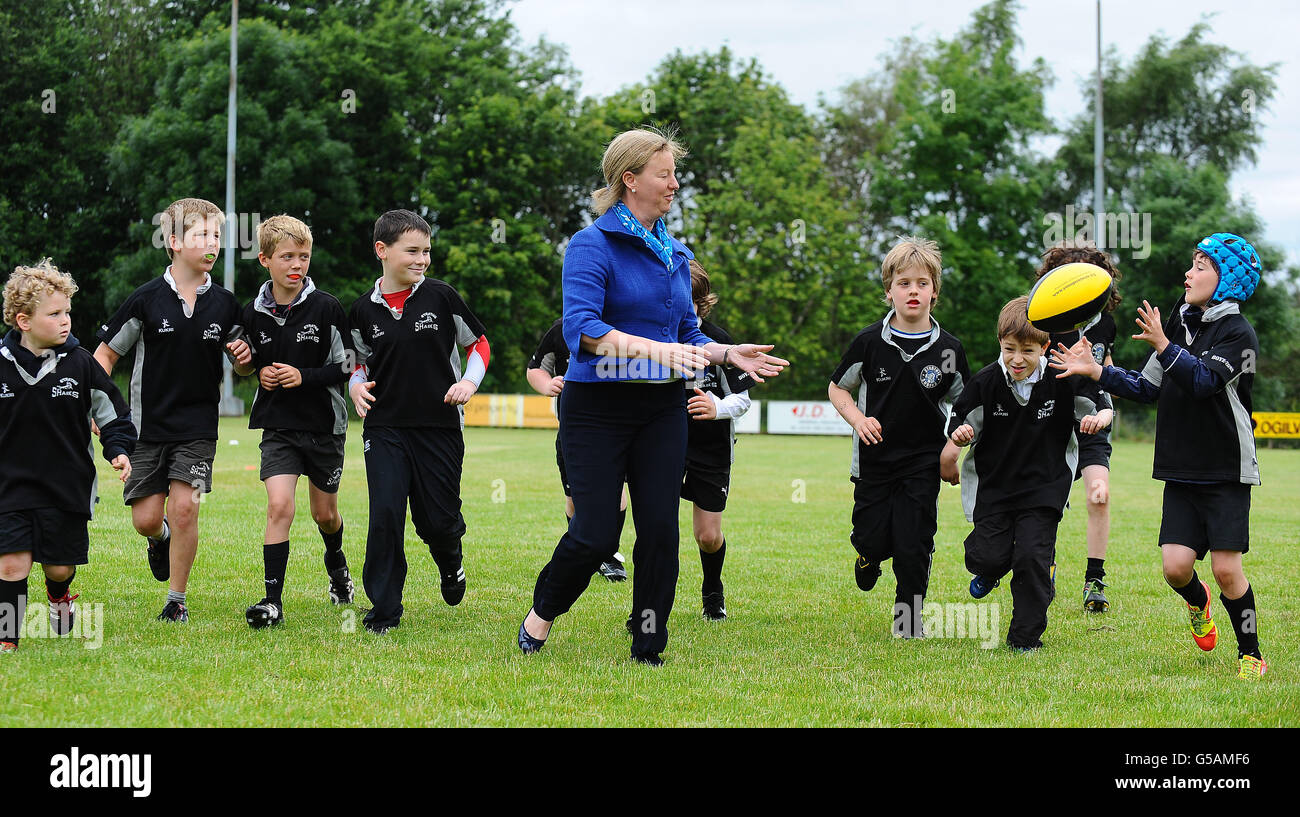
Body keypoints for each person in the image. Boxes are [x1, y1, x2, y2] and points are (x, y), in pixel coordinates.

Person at [517, 127, 787, 665]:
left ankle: (648, 641)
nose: (675, 183)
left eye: (673, 174)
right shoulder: (591, 246)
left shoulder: (675, 253)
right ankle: (542, 612)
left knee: (660, 531)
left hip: (663, 411)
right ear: (630, 179)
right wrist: (655, 352)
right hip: (596, 411)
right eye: (664, 174)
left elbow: (689, 332)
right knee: (594, 535)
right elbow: (585, 331)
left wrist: (727, 354)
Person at [1050, 233, 1268, 679]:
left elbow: (1205, 380)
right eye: (1193, 263)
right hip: (1181, 467)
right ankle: (1198, 602)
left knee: (1228, 572)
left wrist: (1165, 345)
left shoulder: (1239, 334)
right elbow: (1150, 386)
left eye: (1202, 265)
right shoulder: (1180, 320)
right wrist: (1100, 372)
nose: (1189, 273)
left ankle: (1250, 652)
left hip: (1226, 469)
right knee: (1175, 569)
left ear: (1228, 279)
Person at [94, 197, 250, 623]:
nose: (212, 242)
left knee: (186, 508)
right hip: (146, 430)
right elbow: (104, 356)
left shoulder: (226, 304)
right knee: (146, 519)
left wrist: (243, 356)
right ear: (175, 241)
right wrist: (97, 405)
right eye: (202, 234)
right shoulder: (145, 300)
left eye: (217, 234)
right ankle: (158, 538)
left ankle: (176, 599)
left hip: (198, 429)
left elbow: (245, 361)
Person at [348, 209, 491, 634]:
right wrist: (356, 385)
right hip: (384, 427)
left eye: (426, 251)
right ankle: (384, 610)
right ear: (382, 251)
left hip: (440, 426)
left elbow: (479, 343)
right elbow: (358, 362)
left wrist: (468, 382)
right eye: (412, 250)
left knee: (437, 520)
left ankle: (451, 561)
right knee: (386, 512)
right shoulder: (360, 311)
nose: (422, 259)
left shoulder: (442, 297)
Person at [940, 296, 1111, 651]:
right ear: (1000, 345)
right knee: (986, 557)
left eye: (1027, 351)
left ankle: (1025, 638)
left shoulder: (1064, 378)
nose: (1017, 359)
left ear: (1045, 347)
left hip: (1044, 488)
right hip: (995, 488)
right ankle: (989, 570)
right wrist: (958, 435)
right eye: (1009, 349)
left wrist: (1099, 419)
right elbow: (957, 420)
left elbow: (1103, 404)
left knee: (1031, 558)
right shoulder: (986, 382)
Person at [829, 236, 970, 638]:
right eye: (904, 283)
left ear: (934, 292)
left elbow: (965, 407)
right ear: (888, 291)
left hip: (923, 464)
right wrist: (857, 419)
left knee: (915, 542)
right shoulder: (869, 342)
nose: (913, 291)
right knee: (872, 536)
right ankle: (869, 557)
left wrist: (951, 448)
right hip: (874, 462)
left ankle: (908, 621)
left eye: (922, 283)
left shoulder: (949, 350)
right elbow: (838, 388)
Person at [0, 260, 135, 652]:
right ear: (24, 321)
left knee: (59, 566)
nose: (66, 321)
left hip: (66, 484)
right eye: (55, 314)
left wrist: (119, 449)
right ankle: (8, 638)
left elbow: (112, 412)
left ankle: (58, 595)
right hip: (10, 486)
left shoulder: (81, 365)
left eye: (68, 312)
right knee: (11, 564)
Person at [240, 215, 355, 629]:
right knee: (279, 506)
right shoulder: (251, 313)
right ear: (265, 260)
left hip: (324, 426)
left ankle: (337, 567)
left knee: (325, 515)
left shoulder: (326, 307)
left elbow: (350, 362)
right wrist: (257, 370)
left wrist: (304, 376)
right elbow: (247, 360)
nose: (297, 264)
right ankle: (272, 602)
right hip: (278, 427)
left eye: (303, 256)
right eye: (287, 256)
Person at [1033, 242, 1124, 613]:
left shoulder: (1105, 324)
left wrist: (1108, 412)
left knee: (1098, 495)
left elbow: (1109, 373)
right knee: (1045, 502)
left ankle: (1094, 581)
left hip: (1091, 423)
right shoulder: (1041, 322)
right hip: (1050, 424)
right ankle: (1044, 568)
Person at [526, 317, 629, 582]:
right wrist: (547, 385)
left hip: (618, 428)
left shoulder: (625, 322)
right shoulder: (563, 328)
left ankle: (608, 555)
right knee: (574, 500)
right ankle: (583, 553)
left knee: (616, 493)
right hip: (573, 431)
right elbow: (535, 369)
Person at [680, 259, 756, 621]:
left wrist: (716, 407)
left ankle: (713, 590)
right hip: (664, 447)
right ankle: (647, 604)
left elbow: (742, 400)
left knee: (707, 535)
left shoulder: (720, 342)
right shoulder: (654, 339)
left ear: (702, 303)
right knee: (656, 527)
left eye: (692, 303)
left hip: (711, 451)